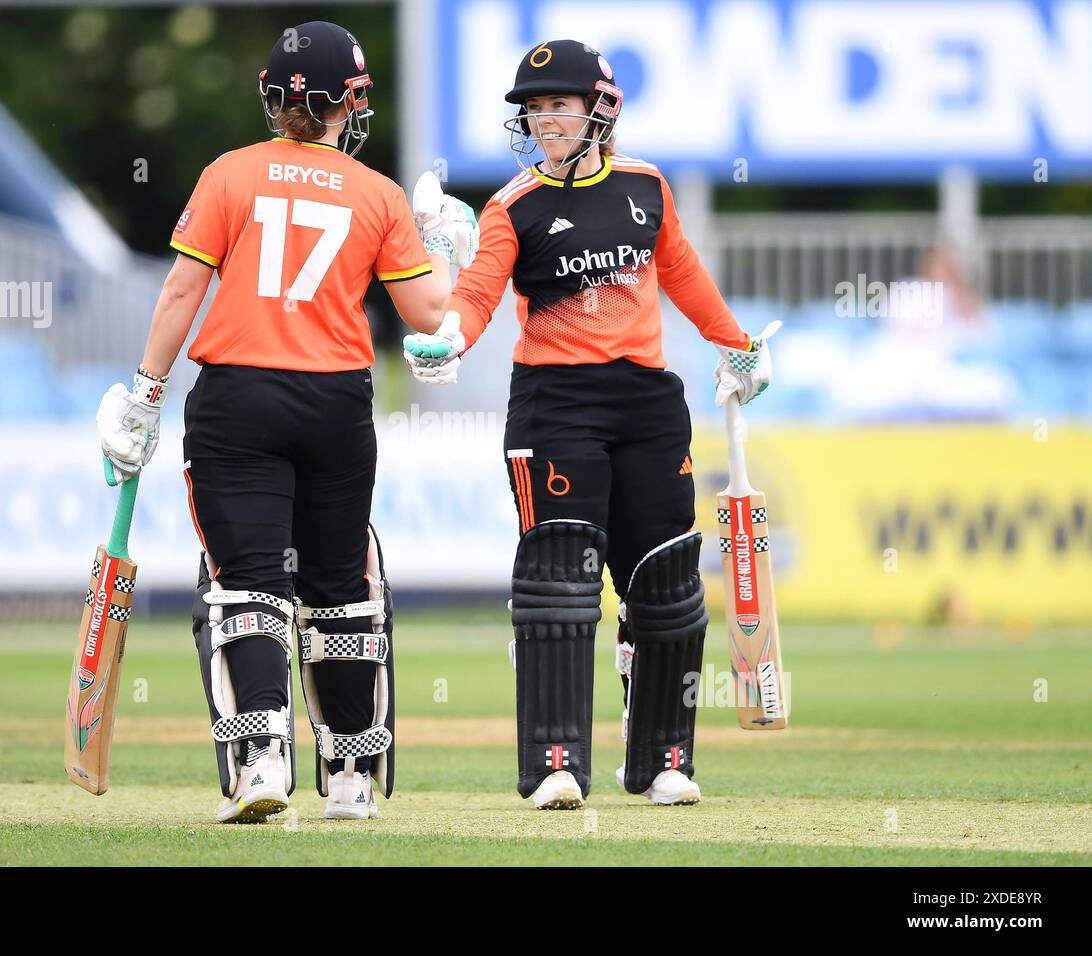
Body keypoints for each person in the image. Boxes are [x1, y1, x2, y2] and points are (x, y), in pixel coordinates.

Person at [96, 20, 475, 823]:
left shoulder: (230, 174)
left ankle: (263, 759)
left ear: (274, 97)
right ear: (348, 104)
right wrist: (448, 246)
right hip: (337, 401)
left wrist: (144, 392)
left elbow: (179, 294)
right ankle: (348, 778)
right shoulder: (376, 194)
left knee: (249, 581)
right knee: (339, 587)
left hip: (238, 398)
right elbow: (430, 316)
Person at [403, 39, 775, 810]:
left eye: (557, 107)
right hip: (556, 405)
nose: (543, 122)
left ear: (601, 111)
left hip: (647, 404)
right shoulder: (514, 206)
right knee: (560, 584)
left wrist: (739, 347)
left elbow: (683, 275)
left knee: (664, 586)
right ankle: (554, 763)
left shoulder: (646, 187)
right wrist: (449, 341)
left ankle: (664, 759)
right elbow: (474, 296)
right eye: (533, 111)